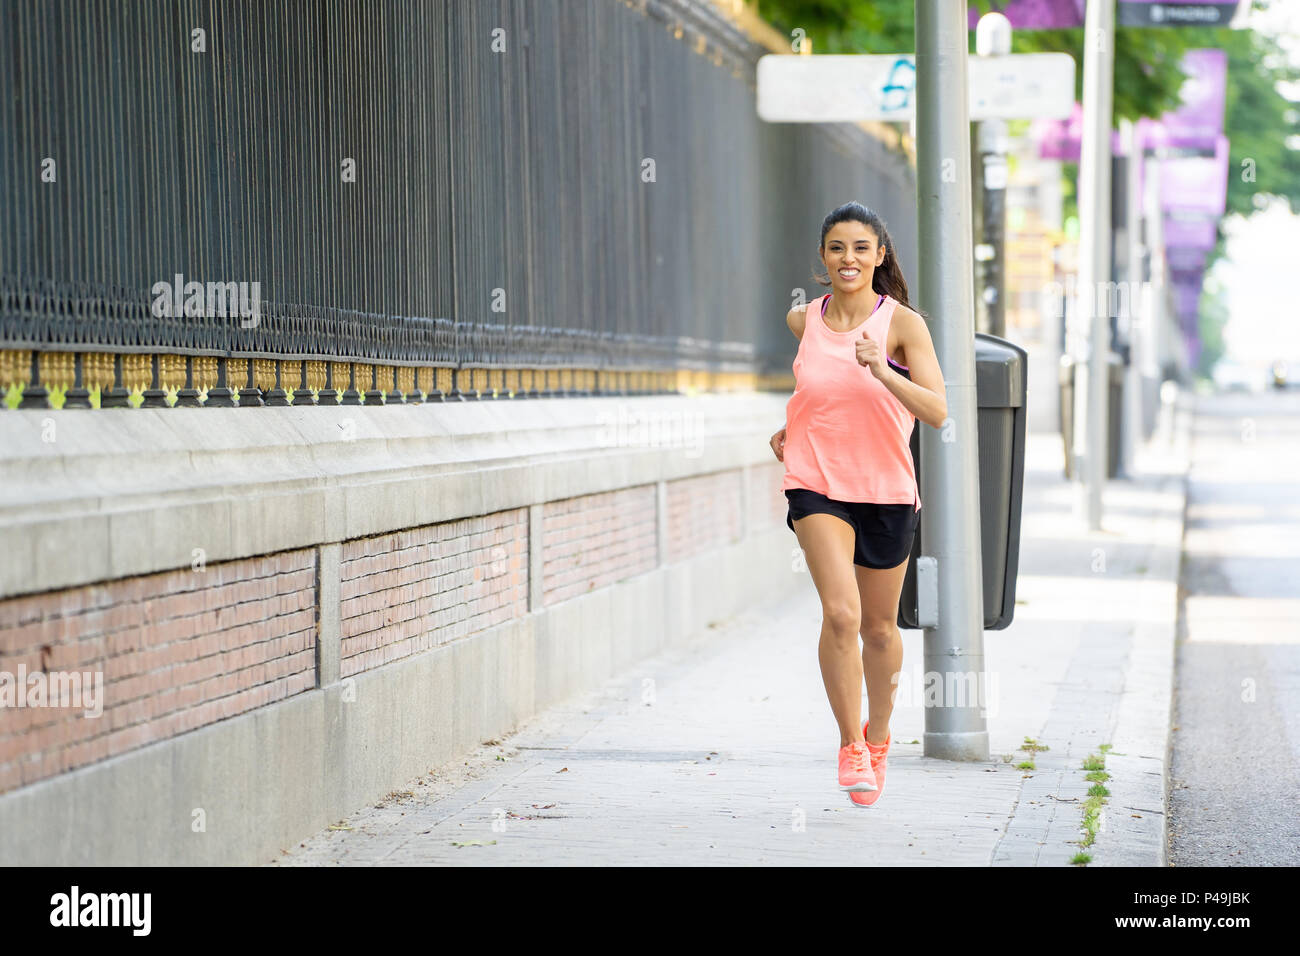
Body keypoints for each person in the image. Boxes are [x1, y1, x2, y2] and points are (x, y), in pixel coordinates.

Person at [769, 202, 947, 807]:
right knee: (840, 614)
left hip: (887, 491)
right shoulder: (803, 320)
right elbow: (817, 393)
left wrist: (883, 370)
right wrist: (791, 428)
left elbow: (937, 411)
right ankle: (850, 746)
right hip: (816, 483)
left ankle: (879, 735)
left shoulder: (903, 325)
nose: (849, 259)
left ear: (880, 256)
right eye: (838, 248)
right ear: (822, 257)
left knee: (879, 627)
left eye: (861, 248)